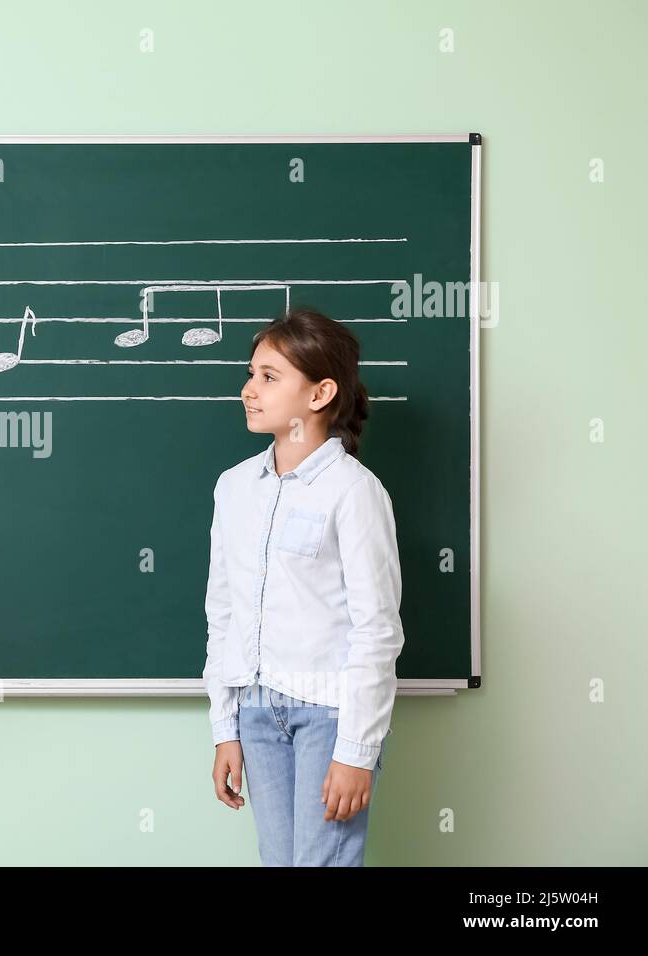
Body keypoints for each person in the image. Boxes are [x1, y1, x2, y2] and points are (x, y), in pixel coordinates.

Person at [203, 306, 405, 866]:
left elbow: (377, 629)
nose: (249, 389)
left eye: (269, 377)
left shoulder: (354, 492)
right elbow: (223, 611)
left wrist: (357, 751)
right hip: (256, 709)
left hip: (330, 713)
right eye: (251, 374)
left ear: (319, 395)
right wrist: (226, 726)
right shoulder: (234, 487)